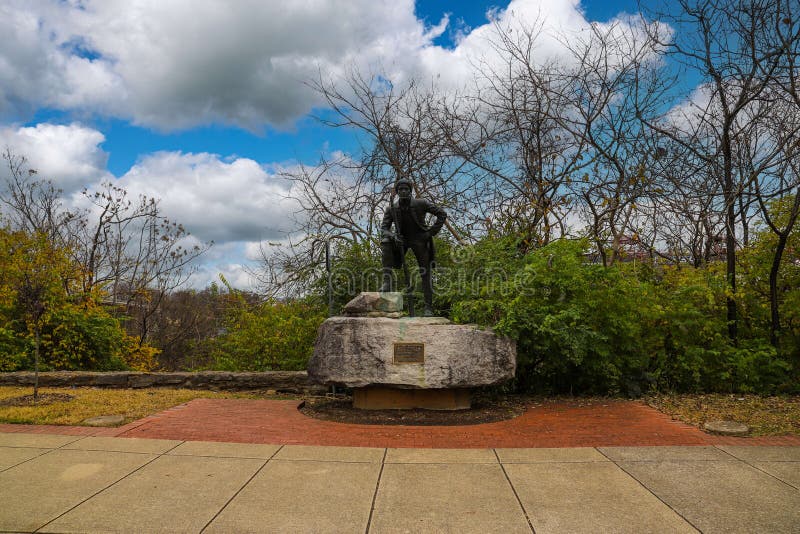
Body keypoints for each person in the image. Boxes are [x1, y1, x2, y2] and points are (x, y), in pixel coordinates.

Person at [380, 177, 447, 316]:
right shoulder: (392, 208)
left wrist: (430, 233)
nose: (403, 191)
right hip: (402, 240)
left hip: (420, 239)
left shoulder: (421, 203)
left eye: (406, 189)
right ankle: (387, 282)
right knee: (385, 241)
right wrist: (393, 236)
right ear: (397, 192)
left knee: (425, 272)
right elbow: (384, 229)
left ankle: (428, 307)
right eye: (400, 189)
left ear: (410, 191)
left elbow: (442, 214)